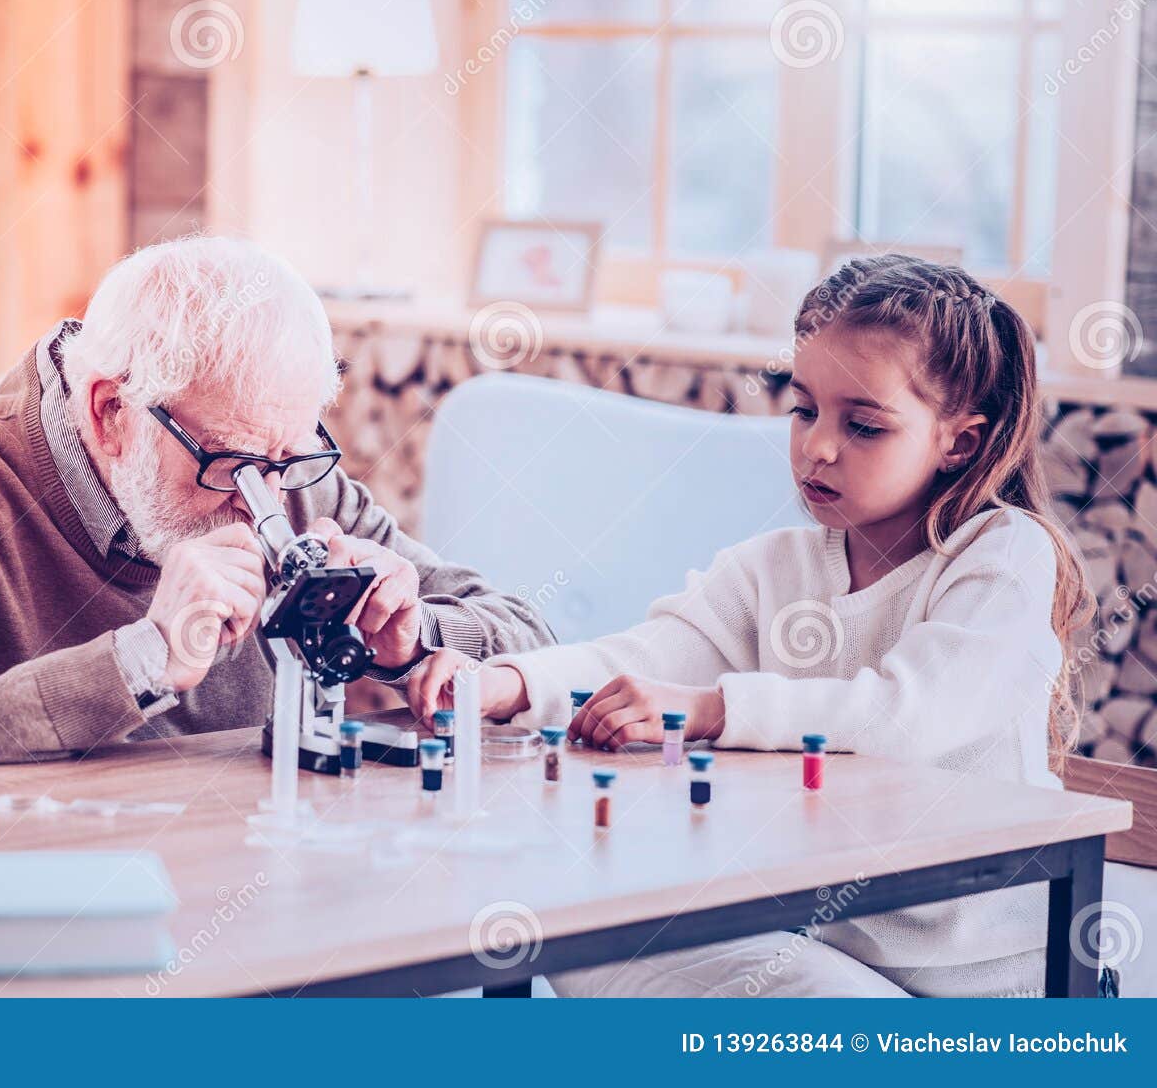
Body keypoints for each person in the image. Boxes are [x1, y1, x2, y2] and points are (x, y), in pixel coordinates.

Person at [409, 254, 1092, 998]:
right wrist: (505, 682)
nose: (818, 447)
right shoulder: (772, 568)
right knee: (572, 936)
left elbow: (909, 716)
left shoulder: (1004, 555)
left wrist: (711, 708)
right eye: (804, 411)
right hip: (819, 952)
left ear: (958, 442)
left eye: (864, 426)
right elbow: (642, 657)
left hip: (986, 993)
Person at [0, 236, 554, 776]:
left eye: (286, 459)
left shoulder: (285, 474)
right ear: (110, 412)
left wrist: (415, 634)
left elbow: (534, 635)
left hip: (252, 894)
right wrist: (139, 659)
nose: (262, 504)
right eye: (229, 464)